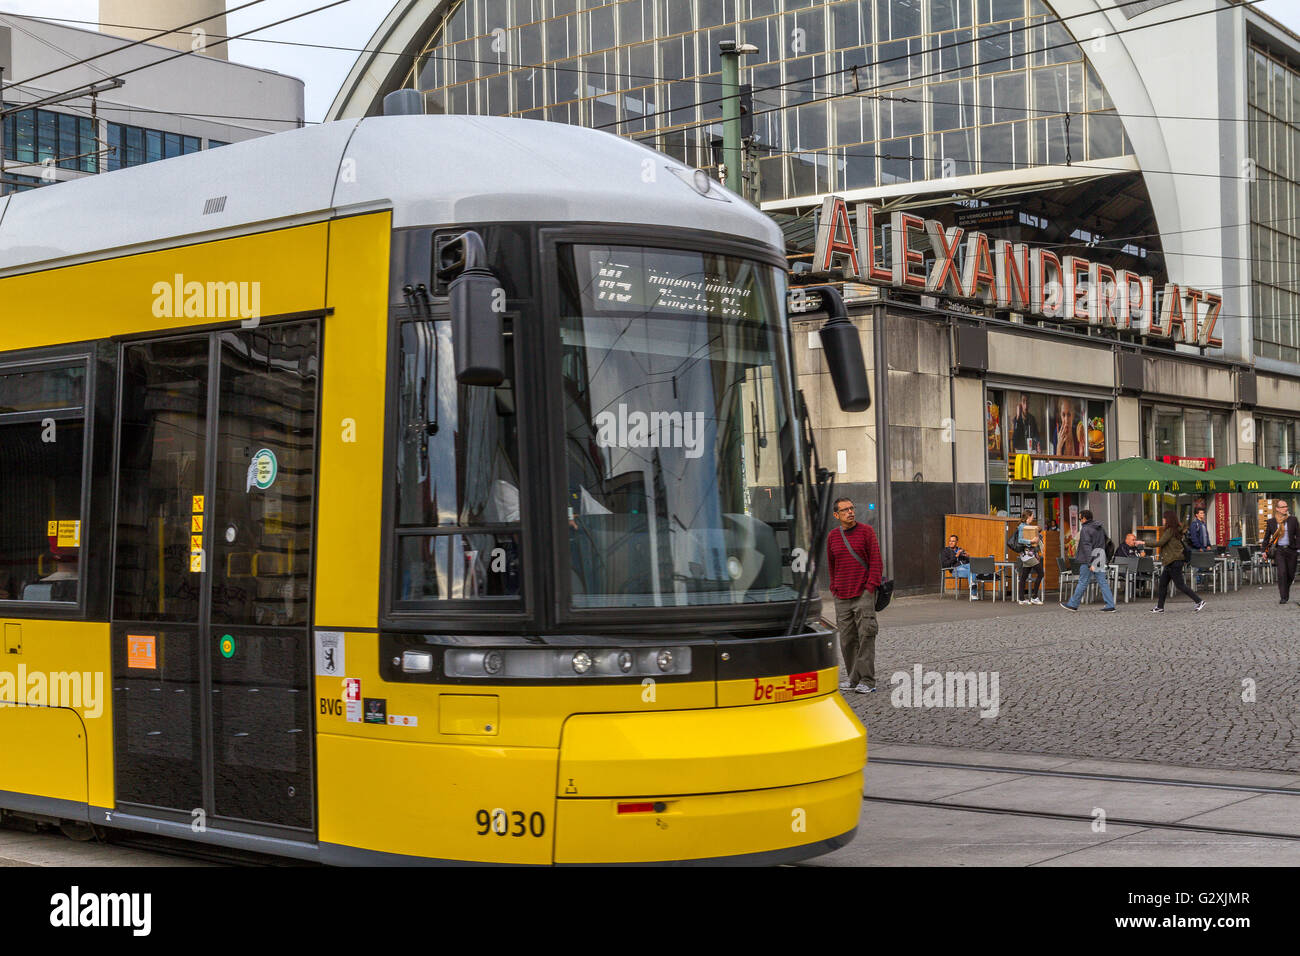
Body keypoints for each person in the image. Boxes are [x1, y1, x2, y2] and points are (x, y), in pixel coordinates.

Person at [826, 497, 882, 694]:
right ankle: (853, 678)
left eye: (851, 508)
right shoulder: (833, 536)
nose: (850, 512)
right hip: (841, 595)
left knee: (866, 636)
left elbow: (876, 561)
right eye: (844, 510)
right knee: (847, 639)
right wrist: (834, 588)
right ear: (836, 515)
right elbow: (831, 565)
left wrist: (870, 588)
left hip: (863, 593)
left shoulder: (866, 532)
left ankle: (867, 680)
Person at [1060, 508, 1116, 612]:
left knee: (1083, 582)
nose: (1080, 520)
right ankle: (1110, 605)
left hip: (1089, 559)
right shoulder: (1099, 527)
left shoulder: (1086, 529)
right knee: (1103, 582)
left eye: (1080, 518)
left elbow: (1086, 546)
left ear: (1084, 519)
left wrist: (1090, 562)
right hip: (1099, 556)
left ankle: (1073, 604)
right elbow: (1105, 542)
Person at [1152, 510, 1205, 612]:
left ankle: (1199, 601)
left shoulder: (1170, 531)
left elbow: (1160, 542)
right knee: (1162, 584)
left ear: (1167, 519)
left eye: (1163, 518)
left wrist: (1144, 542)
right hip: (1171, 561)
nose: (1162, 520)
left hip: (1174, 561)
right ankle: (1160, 607)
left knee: (1180, 585)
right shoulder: (1175, 530)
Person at [1263, 500, 1299, 605]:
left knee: (1291, 574)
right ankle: (1283, 596)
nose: (1285, 508)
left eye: (1286, 506)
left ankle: (1285, 590)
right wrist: (1263, 551)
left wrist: (1298, 548)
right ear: (1277, 509)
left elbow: (1298, 535)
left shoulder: (1293, 520)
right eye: (1283, 507)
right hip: (1279, 551)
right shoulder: (1271, 522)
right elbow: (1266, 538)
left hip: (1292, 550)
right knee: (1282, 573)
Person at [1008, 509, 1044, 605]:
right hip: (1028, 554)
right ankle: (1034, 597)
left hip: (1027, 554)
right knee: (1041, 573)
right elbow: (1020, 540)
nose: (1033, 518)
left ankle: (1021, 599)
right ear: (1028, 517)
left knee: (1024, 576)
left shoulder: (1026, 526)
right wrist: (1031, 541)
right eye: (1032, 516)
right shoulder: (1022, 527)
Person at [941, 534, 976, 598]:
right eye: (950, 541)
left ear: (957, 542)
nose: (951, 543)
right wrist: (956, 556)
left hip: (965, 567)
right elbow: (945, 564)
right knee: (973, 572)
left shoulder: (960, 549)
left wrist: (967, 557)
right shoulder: (945, 551)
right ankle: (973, 594)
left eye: (953, 541)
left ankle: (972, 585)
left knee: (972, 568)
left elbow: (967, 562)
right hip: (955, 569)